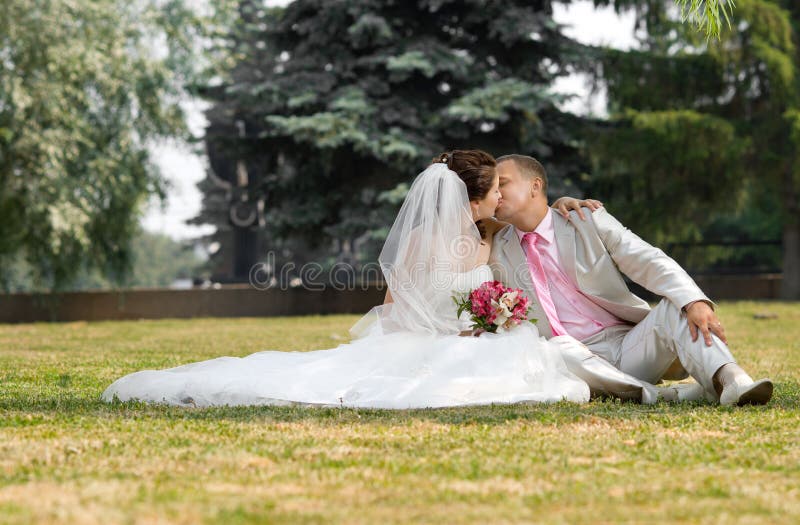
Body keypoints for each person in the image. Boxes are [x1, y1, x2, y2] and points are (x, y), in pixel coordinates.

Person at [103, 150, 604, 408]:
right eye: (496, 190)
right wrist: (447, 332)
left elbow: (533, 214)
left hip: (466, 337)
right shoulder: (425, 239)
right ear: (474, 196)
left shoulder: (486, 232)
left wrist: (560, 202)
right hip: (426, 339)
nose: (501, 197)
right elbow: (396, 300)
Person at [489, 154, 773, 406]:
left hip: (627, 347)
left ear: (535, 186)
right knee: (558, 348)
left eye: (503, 183)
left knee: (674, 306)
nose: (496, 192)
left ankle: (732, 379)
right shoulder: (496, 248)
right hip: (569, 363)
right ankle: (664, 395)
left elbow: (646, 258)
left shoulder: (586, 220)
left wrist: (694, 300)